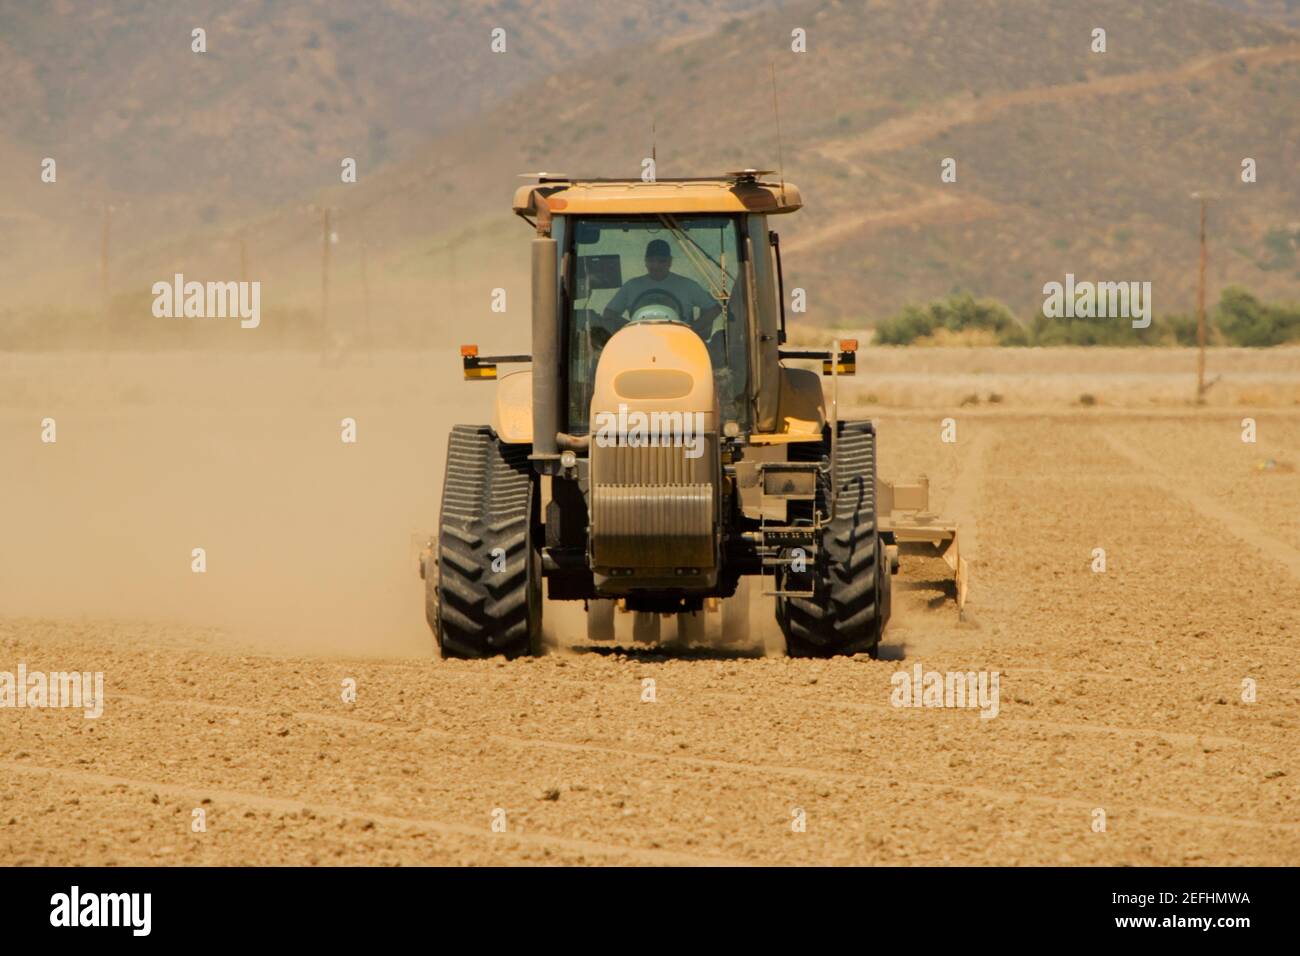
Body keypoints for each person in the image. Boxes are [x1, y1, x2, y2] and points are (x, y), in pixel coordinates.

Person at [600, 238, 721, 339]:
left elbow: (714, 309)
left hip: (680, 346)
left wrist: (691, 330)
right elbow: (609, 313)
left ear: (670, 262)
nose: (655, 266)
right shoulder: (631, 286)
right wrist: (630, 329)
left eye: (661, 261)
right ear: (645, 262)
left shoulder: (687, 286)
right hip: (638, 345)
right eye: (651, 261)